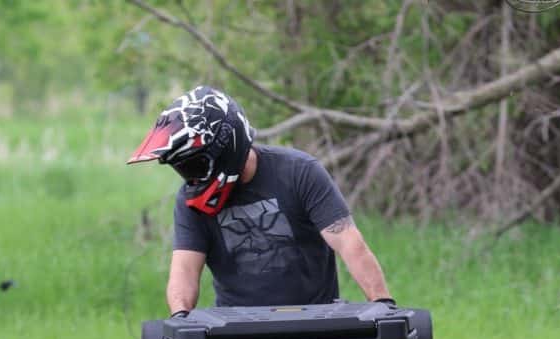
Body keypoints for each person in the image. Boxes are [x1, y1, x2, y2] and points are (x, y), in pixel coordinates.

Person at [127, 86, 393, 313]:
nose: (191, 178)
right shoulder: (189, 201)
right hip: (238, 331)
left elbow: (349, 243)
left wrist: (383, 306)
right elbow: (184, 271)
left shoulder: (299, 172)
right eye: (183, 169)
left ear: (224, 145)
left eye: (194, 165)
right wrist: (181, 319)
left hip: (315, 321)